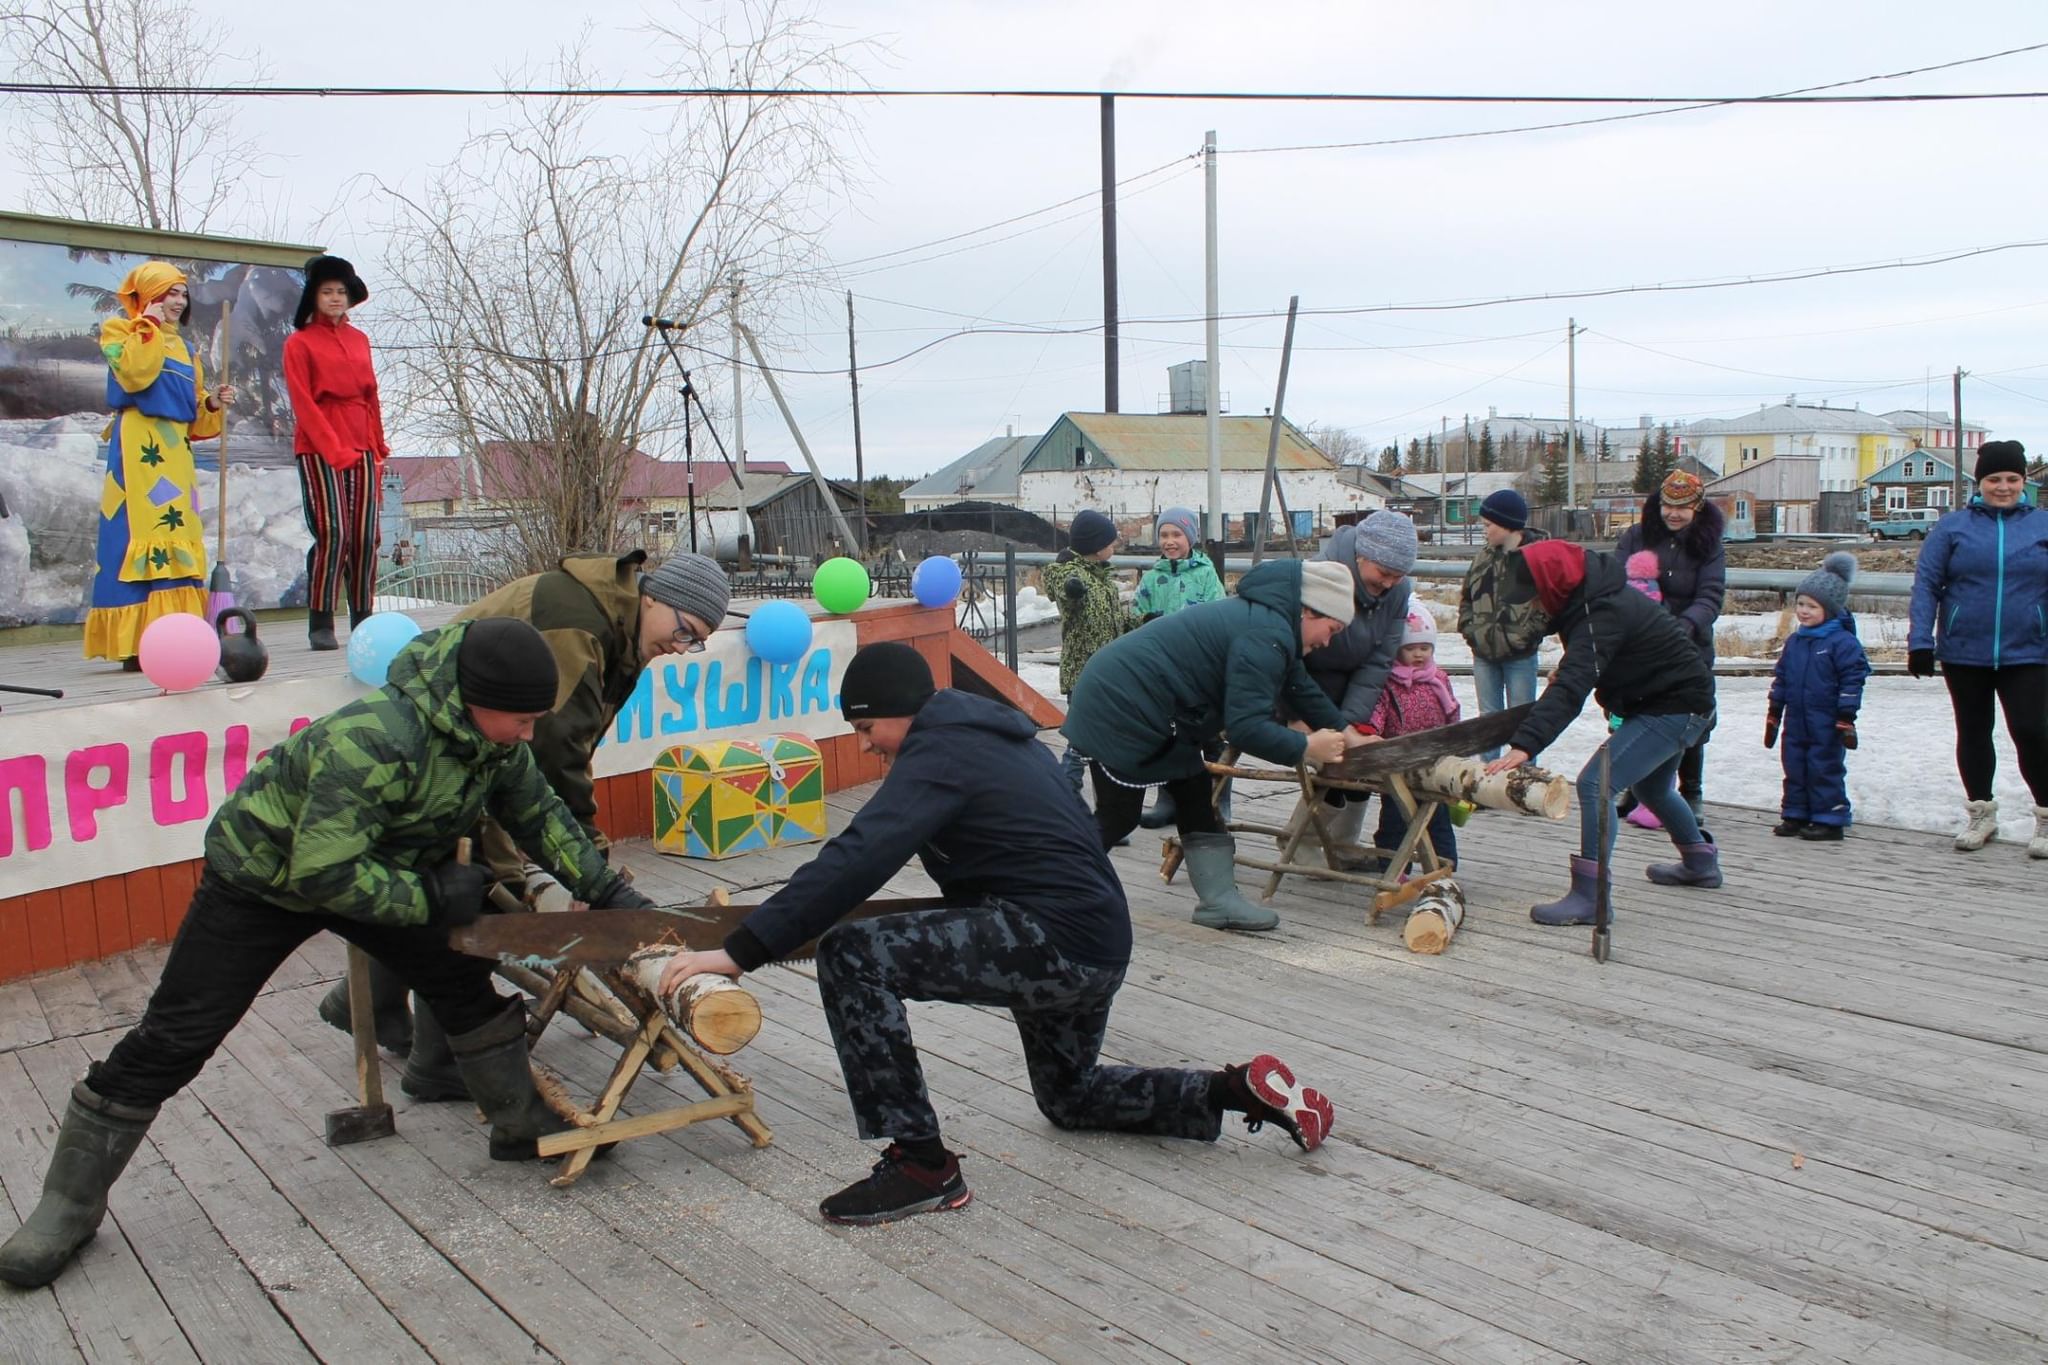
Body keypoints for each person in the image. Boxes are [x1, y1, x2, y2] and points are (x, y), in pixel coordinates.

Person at [0, 618, 657, 1290]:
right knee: (178, 1034)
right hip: (265, 880)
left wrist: (607, 889)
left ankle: (521, 1122)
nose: (527, 734)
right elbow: (324, 875)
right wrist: (430, 894)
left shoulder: (495, 741)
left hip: (385, 868)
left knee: (463, 980)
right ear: (472, 699)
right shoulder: (374, 736)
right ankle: (69, 1203)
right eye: (520, 720)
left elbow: (541, 812)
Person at [651, 642, 1334, 1226]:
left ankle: (922, 1165)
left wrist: (739, 950)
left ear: (895, 712)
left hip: (1053, 940)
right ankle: (1233, 1090)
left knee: (853, 953)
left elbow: (857, 858)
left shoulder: (940, 751)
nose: (866, 744)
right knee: (1071, 1097)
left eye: (866, 729)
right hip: (1095, 942)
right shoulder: (997, 737)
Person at [316, 550, 732, 1100]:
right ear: (654, 596)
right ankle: (439, 1061)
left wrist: (587, 869)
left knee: (456, 879)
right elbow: (553, 756)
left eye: (694, 642)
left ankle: (365, 1002)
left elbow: (571, 744)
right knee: (481, 891)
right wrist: (590, 873)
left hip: (474, 746)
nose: (681, 648)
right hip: (451, 747)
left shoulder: (618, 624)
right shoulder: (578, 627)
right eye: (684, 632)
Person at [1063, 559, 1364, 931]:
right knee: (1118, 816)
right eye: (1330, 629)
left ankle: (1218, 902)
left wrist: (1346, 733)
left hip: (1161, 709)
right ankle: (1048, 889)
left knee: (1194, 797)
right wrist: (1305, 748)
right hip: (1123, 704)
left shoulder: (1271, 626)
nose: (1326, 641)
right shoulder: (1264, 634)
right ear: (1307, 610)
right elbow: (1246, 728)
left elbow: (1299, 688)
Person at [1484, 540, 1719, 926]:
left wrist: (1526, 745)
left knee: (1596, 783)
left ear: (1554, 588)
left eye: (1535, 599)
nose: (1533, 607)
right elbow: (1608, 657)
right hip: (1671, 700)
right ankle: (1698, 861)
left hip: (1677, 707)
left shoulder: (1599, 612)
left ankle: (1590, 897)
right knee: (1651, 789)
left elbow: (1573, 687)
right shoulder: (1591, 602)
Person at [83, 263, 237, 667]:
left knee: (177, 528)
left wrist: (212, 404)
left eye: (182, 295)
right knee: (138, 531)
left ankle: (178, 635)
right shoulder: (120, 333)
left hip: (175, 452)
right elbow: (135, 375)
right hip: (138, 448)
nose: (178, 302)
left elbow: (196, 418)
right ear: (149, 295)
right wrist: (146, 327)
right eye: (170, 293)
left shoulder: (187, 350)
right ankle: (138, 640)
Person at [1907, 439, 2048, 856]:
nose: (2002, 487)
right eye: (1993, 479)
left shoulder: (2042, 525)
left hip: (2030, 650)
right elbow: (1927, 586)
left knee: (2032, 730)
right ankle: (1981, 813)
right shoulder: (1952, 528)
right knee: (1973, 731)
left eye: (2011, 479)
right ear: (1979, 482)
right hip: (1965, 649)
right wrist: (1920, 640)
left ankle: (2045, 815)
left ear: (2023, 481)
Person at [284, 255, 390, 650]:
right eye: (327, 292)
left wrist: (377, 444)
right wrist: (332, 449)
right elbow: (302, 402)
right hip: (319, 445)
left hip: (361, 440)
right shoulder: (299, 343)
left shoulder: (359, 340)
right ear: (313, 297)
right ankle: (322, 620)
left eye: (341, 292)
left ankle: (363, 617)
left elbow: (371, 395)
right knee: (335, 532)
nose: (335, 299)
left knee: (365, 535)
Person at [1303, 510, 1419, 853]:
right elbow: (1289, 657)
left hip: (1354, 688)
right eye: (1383, 573)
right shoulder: (1320, 576)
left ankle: (1343, 844)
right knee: (1329, 761)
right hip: (1306, 683)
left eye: (1398, 577)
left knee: (1362, 758)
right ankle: (1305, 843)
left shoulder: (1397, 592)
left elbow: (1379, 660)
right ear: (1362, 555)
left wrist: (1352, 722)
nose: (1389, 583)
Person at [1613, 470, 1725, 824]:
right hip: (1641, 641)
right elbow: (1615, 581)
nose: (1673, 514)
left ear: (1697, 507)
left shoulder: (1710, 546)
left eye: (1682, 508)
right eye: (1667, 506)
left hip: (1688, 644)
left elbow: (1710, 596)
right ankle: (1636, 786)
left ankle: (1691, 792)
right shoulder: (1637, 537)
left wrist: (1684, 626)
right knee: (1638, 714)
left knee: (1690, 719)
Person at [1133, 506, 1226, 829]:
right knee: (1167, 735)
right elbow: (1136, 617)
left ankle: (1218, 799)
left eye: (1176, 534)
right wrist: (1145, 624)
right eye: (1164, 534)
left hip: (1200, 669)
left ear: (1190, 538)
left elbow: (1219, 616)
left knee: (1211, 735)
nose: (1169, 541)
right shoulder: (1151, 578)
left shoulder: (1205, 573)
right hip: (1162, 671)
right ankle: (1168, 799)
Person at [1767, 553, 1869, 841]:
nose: (1804, 611)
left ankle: (1830, 816)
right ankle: (1796, 812)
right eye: (1800, 604)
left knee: (1824, 766)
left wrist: (1846, 716)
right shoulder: (1796, 642)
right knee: (1795, 763)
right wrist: (1775, 710)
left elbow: (1853, 680)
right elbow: (1783, 676)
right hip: (1797, 719)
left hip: (1826, 719)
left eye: (1812, 606)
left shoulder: (1843, 643)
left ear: (1831, 609)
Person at [1041, 509, 1136, 797]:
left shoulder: (1101, 577)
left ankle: (1106, 804)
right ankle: (1065, 794)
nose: (1115, 545)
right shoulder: (1071, 573)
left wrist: (1142, 623)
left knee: (1099, 739)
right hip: (1083, 670)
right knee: (1081, 740)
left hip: (1107, 672)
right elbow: (1062, 587)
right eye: (1111, 541)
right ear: (1096, 547)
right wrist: (1072, 590)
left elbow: (1114, 621)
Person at [1366, 605, 1461, 872]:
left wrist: (1456, 738)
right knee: (1395, 818)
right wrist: (1372, 733)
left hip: (1433, 758)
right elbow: (1379, 709)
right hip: (1399, 759)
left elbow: (1451, 709)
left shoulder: (1438, 678)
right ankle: (1393, 867)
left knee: (1437, 816)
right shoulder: (1390, 681)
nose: (1419, 654)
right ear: (1398, 649)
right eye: (1411, 648)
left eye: (1425, 648)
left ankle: (1444, 866)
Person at [1457, 490, 1549, 762]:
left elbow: (1548, 604)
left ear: (1507, 525)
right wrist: (1471, 631)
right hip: (1483, 652)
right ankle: (1487, 781)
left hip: (1520, 655)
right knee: (1489, 721)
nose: (1484, 531)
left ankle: (1524, 778)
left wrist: (1525, 636)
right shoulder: (1483, 557)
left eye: (1488, 525)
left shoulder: (1536, 558)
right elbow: (1466, 598)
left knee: (1521, 719)